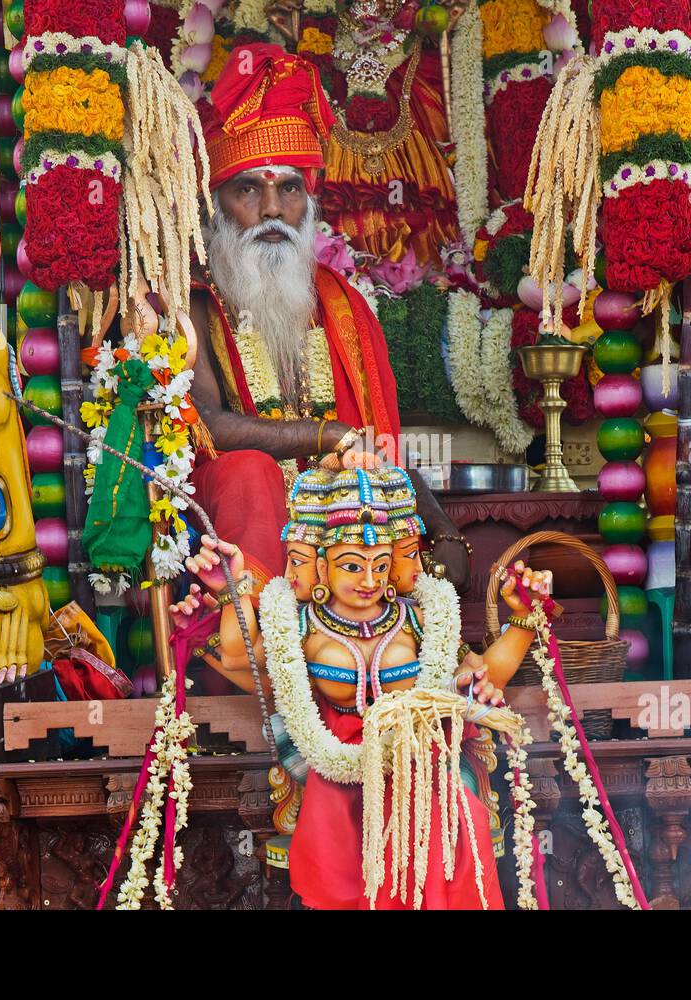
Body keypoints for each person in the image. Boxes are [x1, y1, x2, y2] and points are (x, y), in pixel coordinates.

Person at [182, 466, 552, 909]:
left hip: (419, 762)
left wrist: (524, 622)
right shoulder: (299, 623)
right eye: (352, 566)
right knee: (338, 852)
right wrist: (233, 591)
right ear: (320, 564)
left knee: (454, 822)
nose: (369, 581)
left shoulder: (418, 617)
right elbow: (241, 656)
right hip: (339, 767)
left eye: (380, 565)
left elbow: (477, 678)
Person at [185, 42, 470, 595]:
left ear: (308, 204)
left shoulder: (341, 305)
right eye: (249, 189)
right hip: (230, 529)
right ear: (216, 204)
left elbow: (376, 444)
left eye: (288, 188)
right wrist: (325, 436)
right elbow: (208, 425)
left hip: (342, 535)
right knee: (250, 473)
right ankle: (262, 641)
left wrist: (441, 527)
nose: (272, 210)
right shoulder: (195, 302)